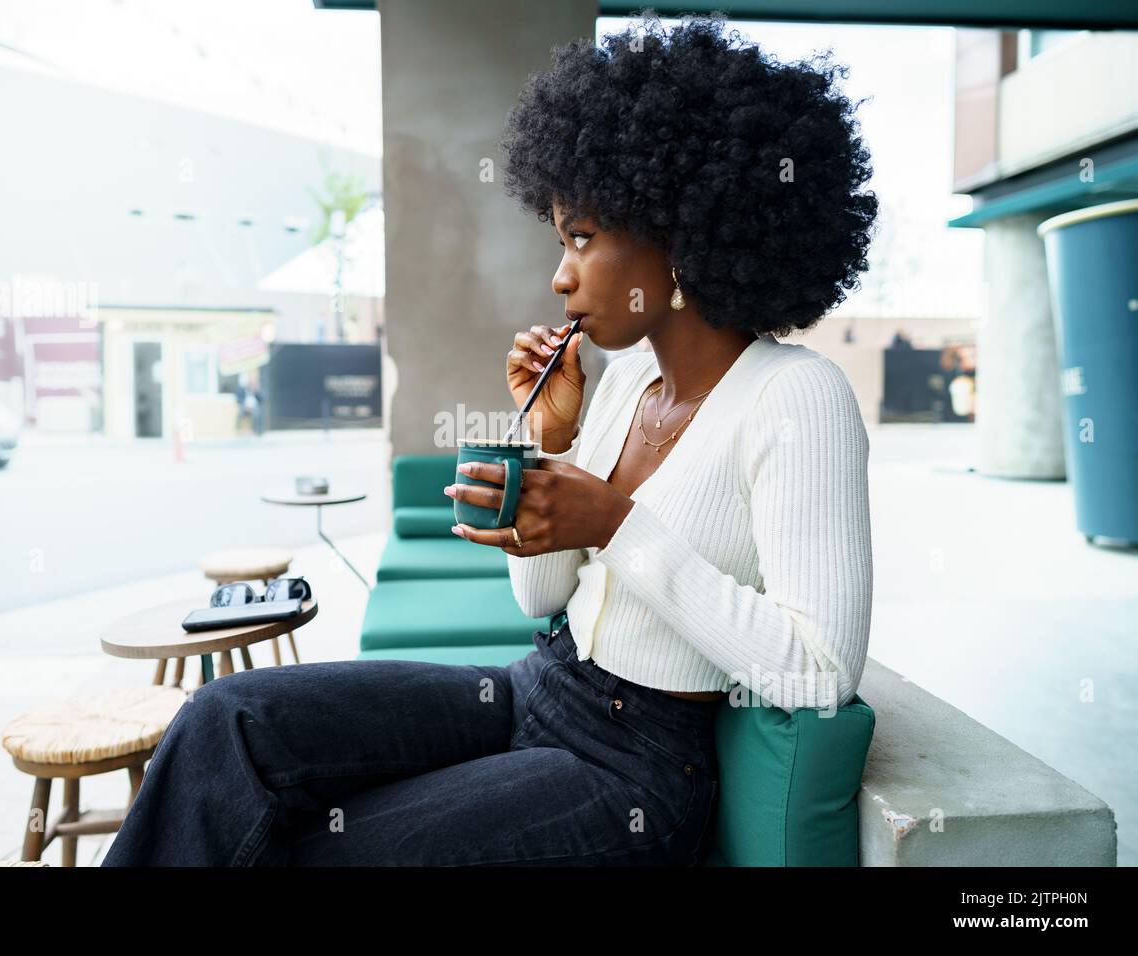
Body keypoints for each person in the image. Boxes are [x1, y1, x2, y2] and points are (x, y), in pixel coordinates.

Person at [102, 9, 876, 867]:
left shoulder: (798, 397)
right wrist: (549, 439)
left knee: (328, 852)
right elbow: (540, 600)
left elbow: (819, 669)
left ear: (678, 229)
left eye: (582, 236)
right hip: (533, 688)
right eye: (560, 239)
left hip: (635, 773)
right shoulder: (622, 384)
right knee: (227, 720)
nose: (560, 273)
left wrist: (616, 525)